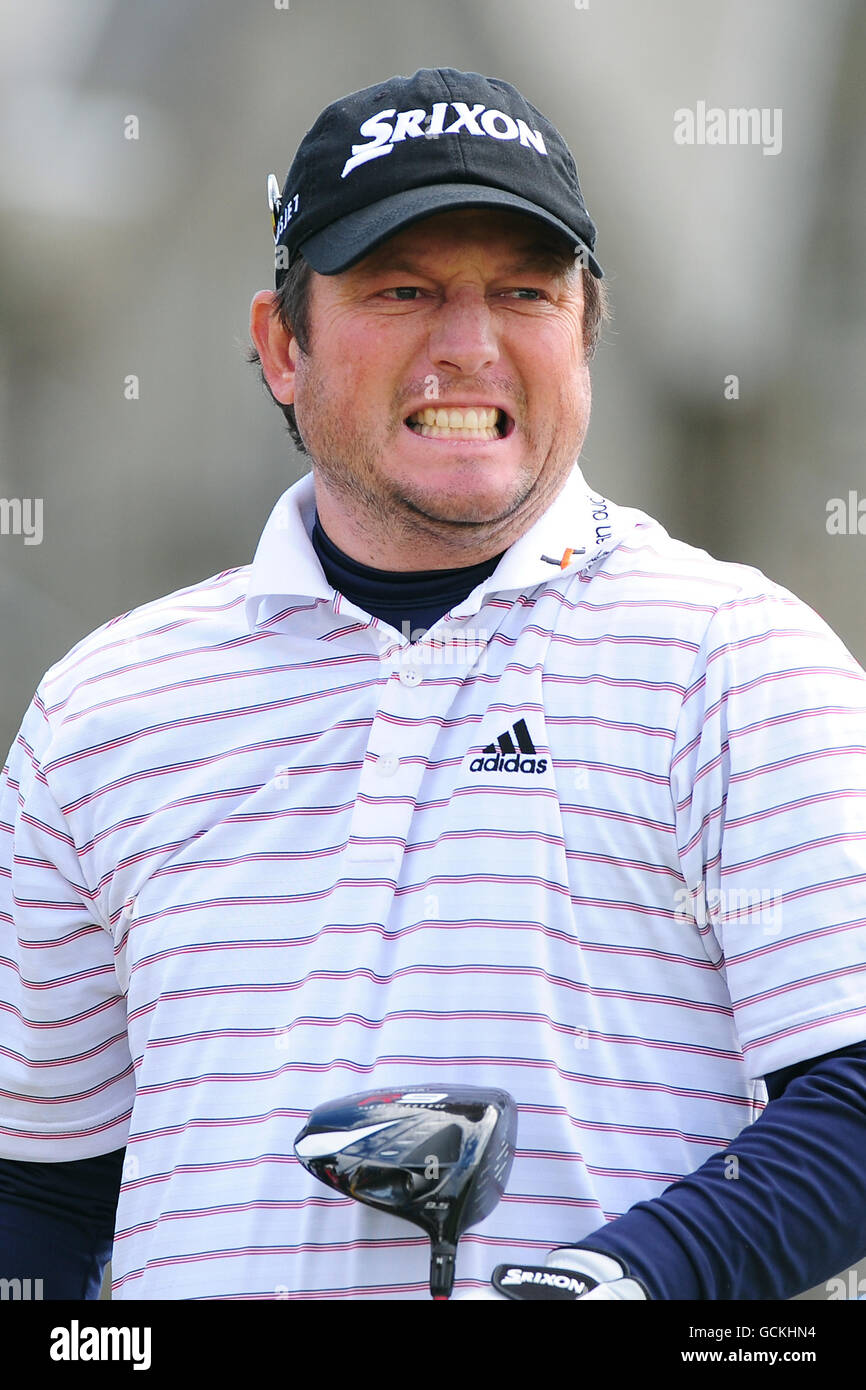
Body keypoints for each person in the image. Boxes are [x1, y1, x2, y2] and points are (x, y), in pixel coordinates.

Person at [1, 66, 866, 1303]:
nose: (467, 348)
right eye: (402, 291)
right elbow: (41, 1187)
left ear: (584, 329)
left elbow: (850, 1093)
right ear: (282, 345)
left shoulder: (733, 660)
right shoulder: (103, 706)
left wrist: (616, 1281)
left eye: (523, 292)